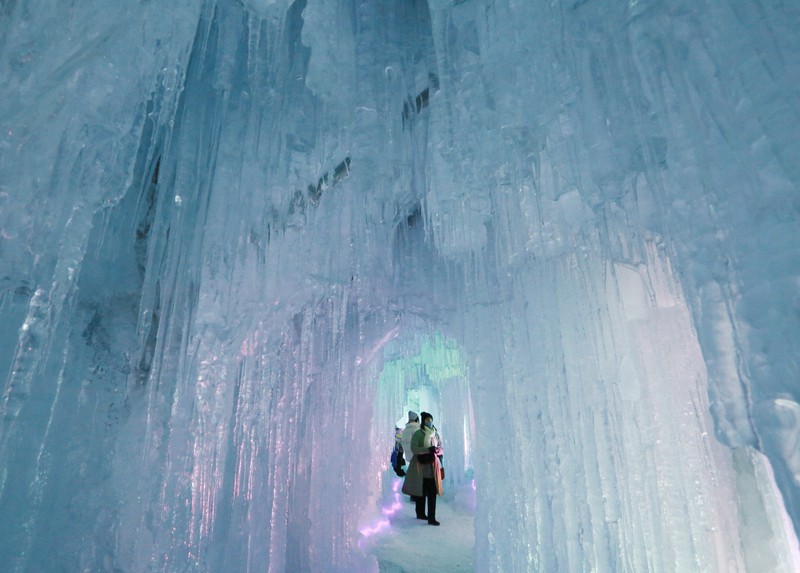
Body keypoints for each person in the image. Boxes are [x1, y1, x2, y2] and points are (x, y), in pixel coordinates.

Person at [402, 411, 443, 525]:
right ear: (423, 420)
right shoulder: (418, 434)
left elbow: (440, 447)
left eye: (431, 420)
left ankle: (431, 517)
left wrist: (437, 451)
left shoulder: (435, 434)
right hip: (420, 466)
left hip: (432, 466)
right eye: (427, 420)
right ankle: (420, 513)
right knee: (421, 491)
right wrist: (427, 450)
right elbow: (414, 448)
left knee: (431, 493)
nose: (429, 422)